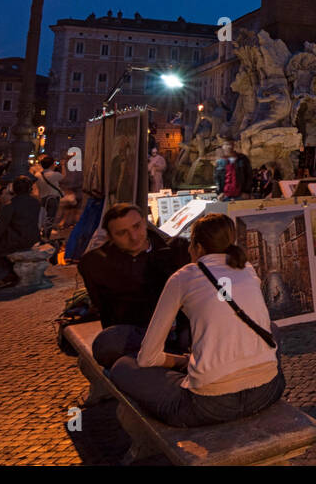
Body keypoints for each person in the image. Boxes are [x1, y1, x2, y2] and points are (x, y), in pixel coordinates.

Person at [107, 213, 286, 428]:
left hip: (209, 404)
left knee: (122, 366)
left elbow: (147, 358)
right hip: (269, 390)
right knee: (271, 329)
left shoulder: (184, 276)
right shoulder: (247, 269)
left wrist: (182, 361)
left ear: (198, 248)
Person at [80, 203, 192, 367]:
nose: (133, 236)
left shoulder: (177, 249)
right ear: (110, 237)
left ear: (144, 222)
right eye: (122, 233)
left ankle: (169, 360)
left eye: (137, 226)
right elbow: (107, 310)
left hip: (178, 328)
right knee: (107, 344)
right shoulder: (96, 263)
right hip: (137, 332)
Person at [34, 155, 64, 240]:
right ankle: (46, 236)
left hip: (42, 198)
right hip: (53, 199)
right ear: (51, 165)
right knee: (50, 218)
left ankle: (41, 235)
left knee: (42, 217)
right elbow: (63, 176)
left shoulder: (37, 175)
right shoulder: (55, 175)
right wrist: (63, 165)